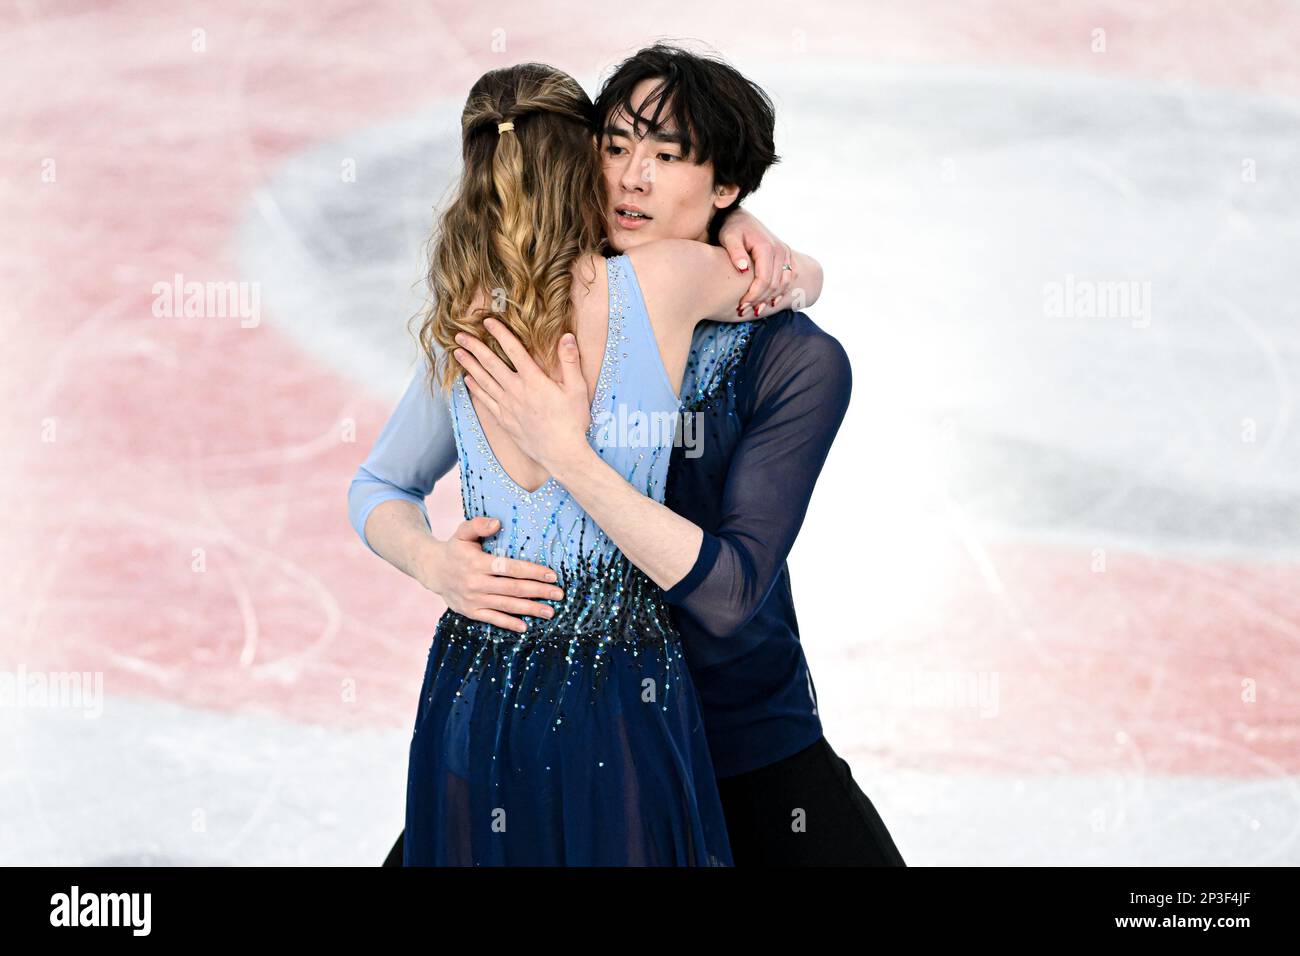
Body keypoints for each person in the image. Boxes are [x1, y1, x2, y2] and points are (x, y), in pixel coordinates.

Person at [354, 44, 903, 866]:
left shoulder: (796, 360)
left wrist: (564, 452)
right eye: (613, 148)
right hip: (557, 713)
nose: (632, 178)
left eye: (667, 156)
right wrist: (437, 564)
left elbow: (729, 594)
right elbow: (384, 482)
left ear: (724, 186)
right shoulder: (528, 310)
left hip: (733, 728)